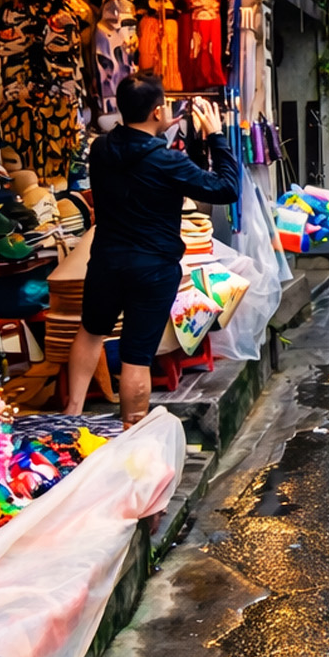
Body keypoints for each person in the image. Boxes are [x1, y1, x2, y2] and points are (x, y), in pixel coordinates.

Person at [65, 73, 241, 424]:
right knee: (136, 355)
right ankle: (131, 426)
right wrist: (215, 135)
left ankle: (71, 413)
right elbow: (226, 188)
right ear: (157, 111)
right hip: (153, 268)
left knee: (91, 331)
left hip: (106, 261)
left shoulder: (100, 149)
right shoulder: (167, 161)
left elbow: (135, 152)